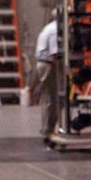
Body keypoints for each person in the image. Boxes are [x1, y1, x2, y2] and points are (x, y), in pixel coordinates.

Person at [35, 8, 59, 141]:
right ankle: (48, 129)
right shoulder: (55, 30)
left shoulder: (49, 27)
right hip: (47, 64)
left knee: (47, 97)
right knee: (51, 98)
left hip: (43, 63)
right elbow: (54, 54)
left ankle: (48, 127)